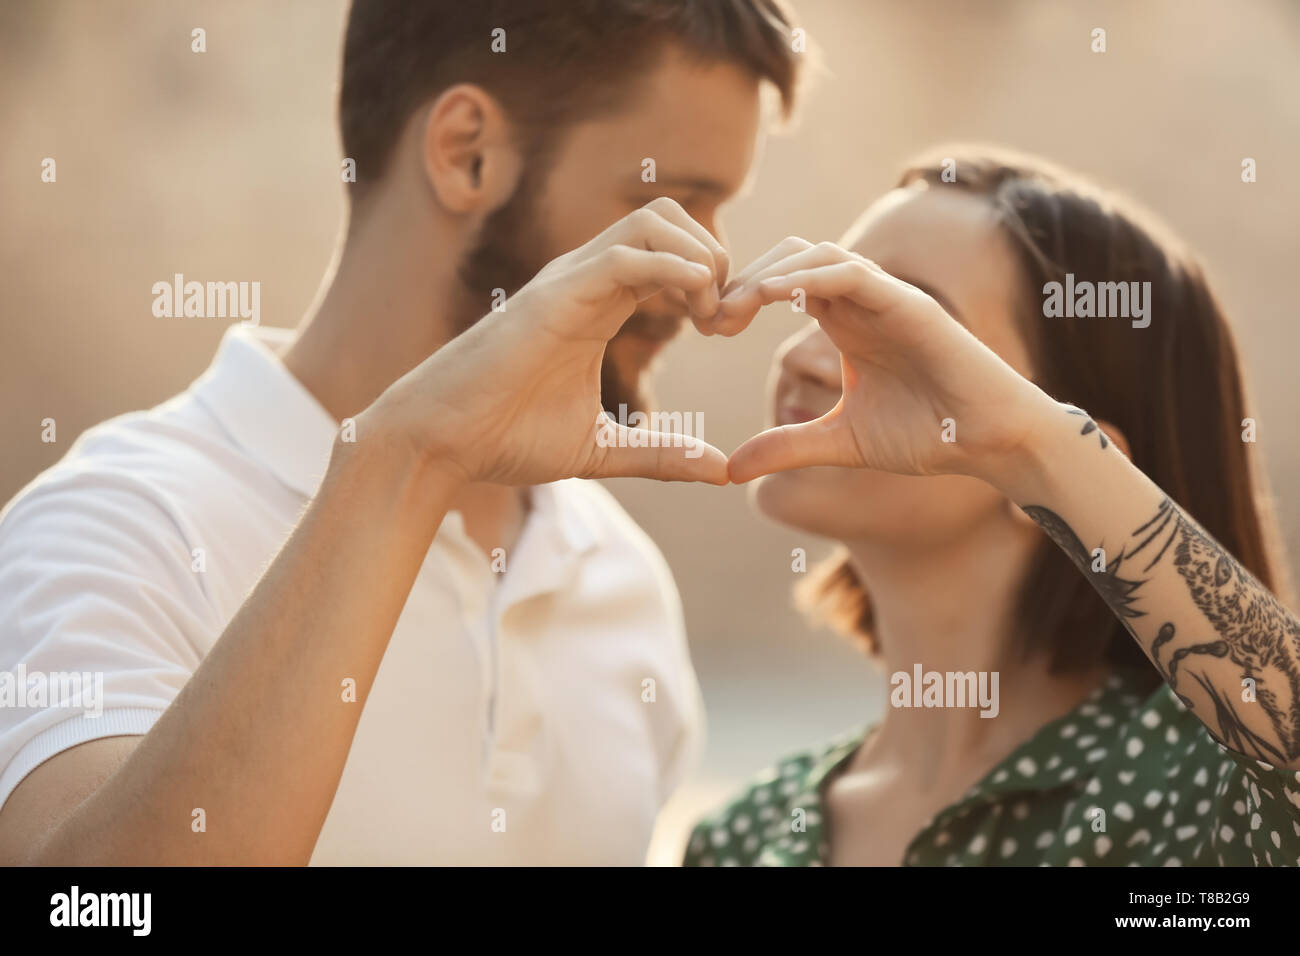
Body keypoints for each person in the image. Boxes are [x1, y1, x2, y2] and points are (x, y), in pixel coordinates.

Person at [0, 0, 802, 865]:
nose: (710, 275)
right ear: (468, 153)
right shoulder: (117, 527)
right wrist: (403, 462)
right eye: (674, 201)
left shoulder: (623, 582)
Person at [684, 147, 1300, 866]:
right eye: (825, 304)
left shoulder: (1197, 789)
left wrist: (1035, 452)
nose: (802, 357)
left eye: (895, 325)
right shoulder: (743, 836)